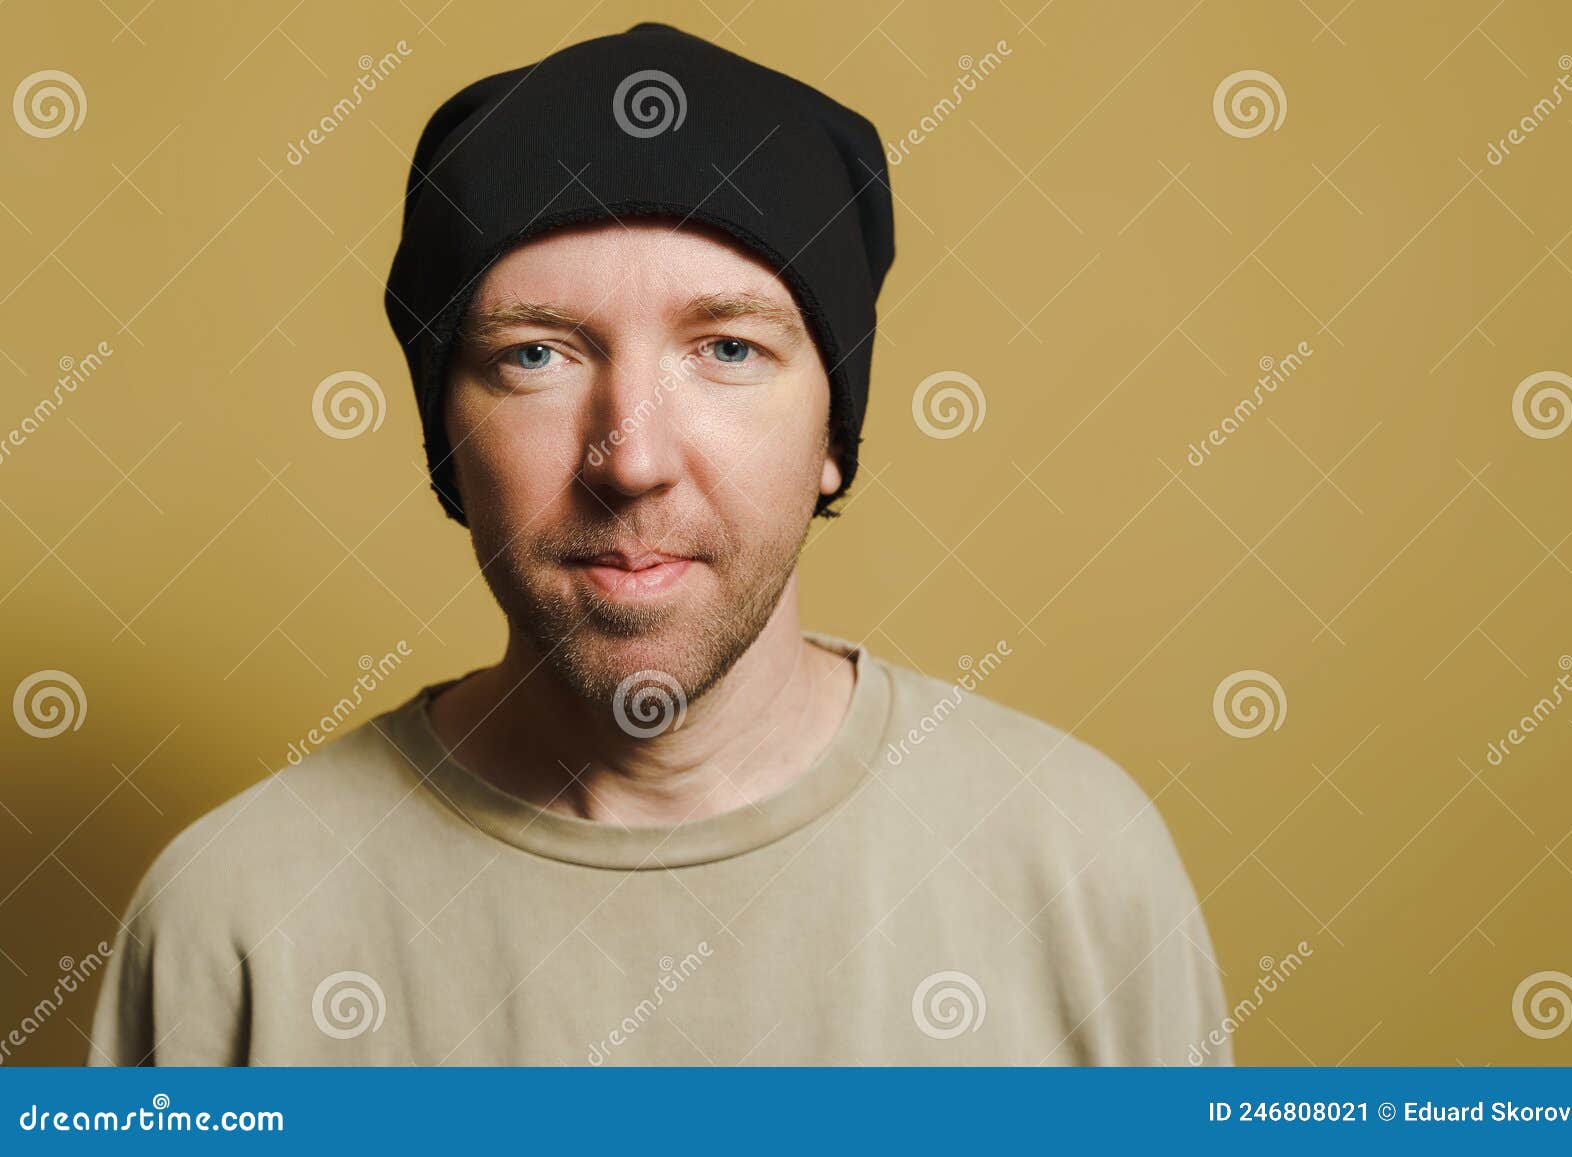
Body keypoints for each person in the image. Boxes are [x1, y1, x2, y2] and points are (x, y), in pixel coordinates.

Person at [89, 22, 1229, 1066]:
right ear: (449, 436)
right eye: (536, 355)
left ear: (833, 430)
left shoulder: (1079, 868)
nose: (629, 456)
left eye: (726, 348)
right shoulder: (231, 921)